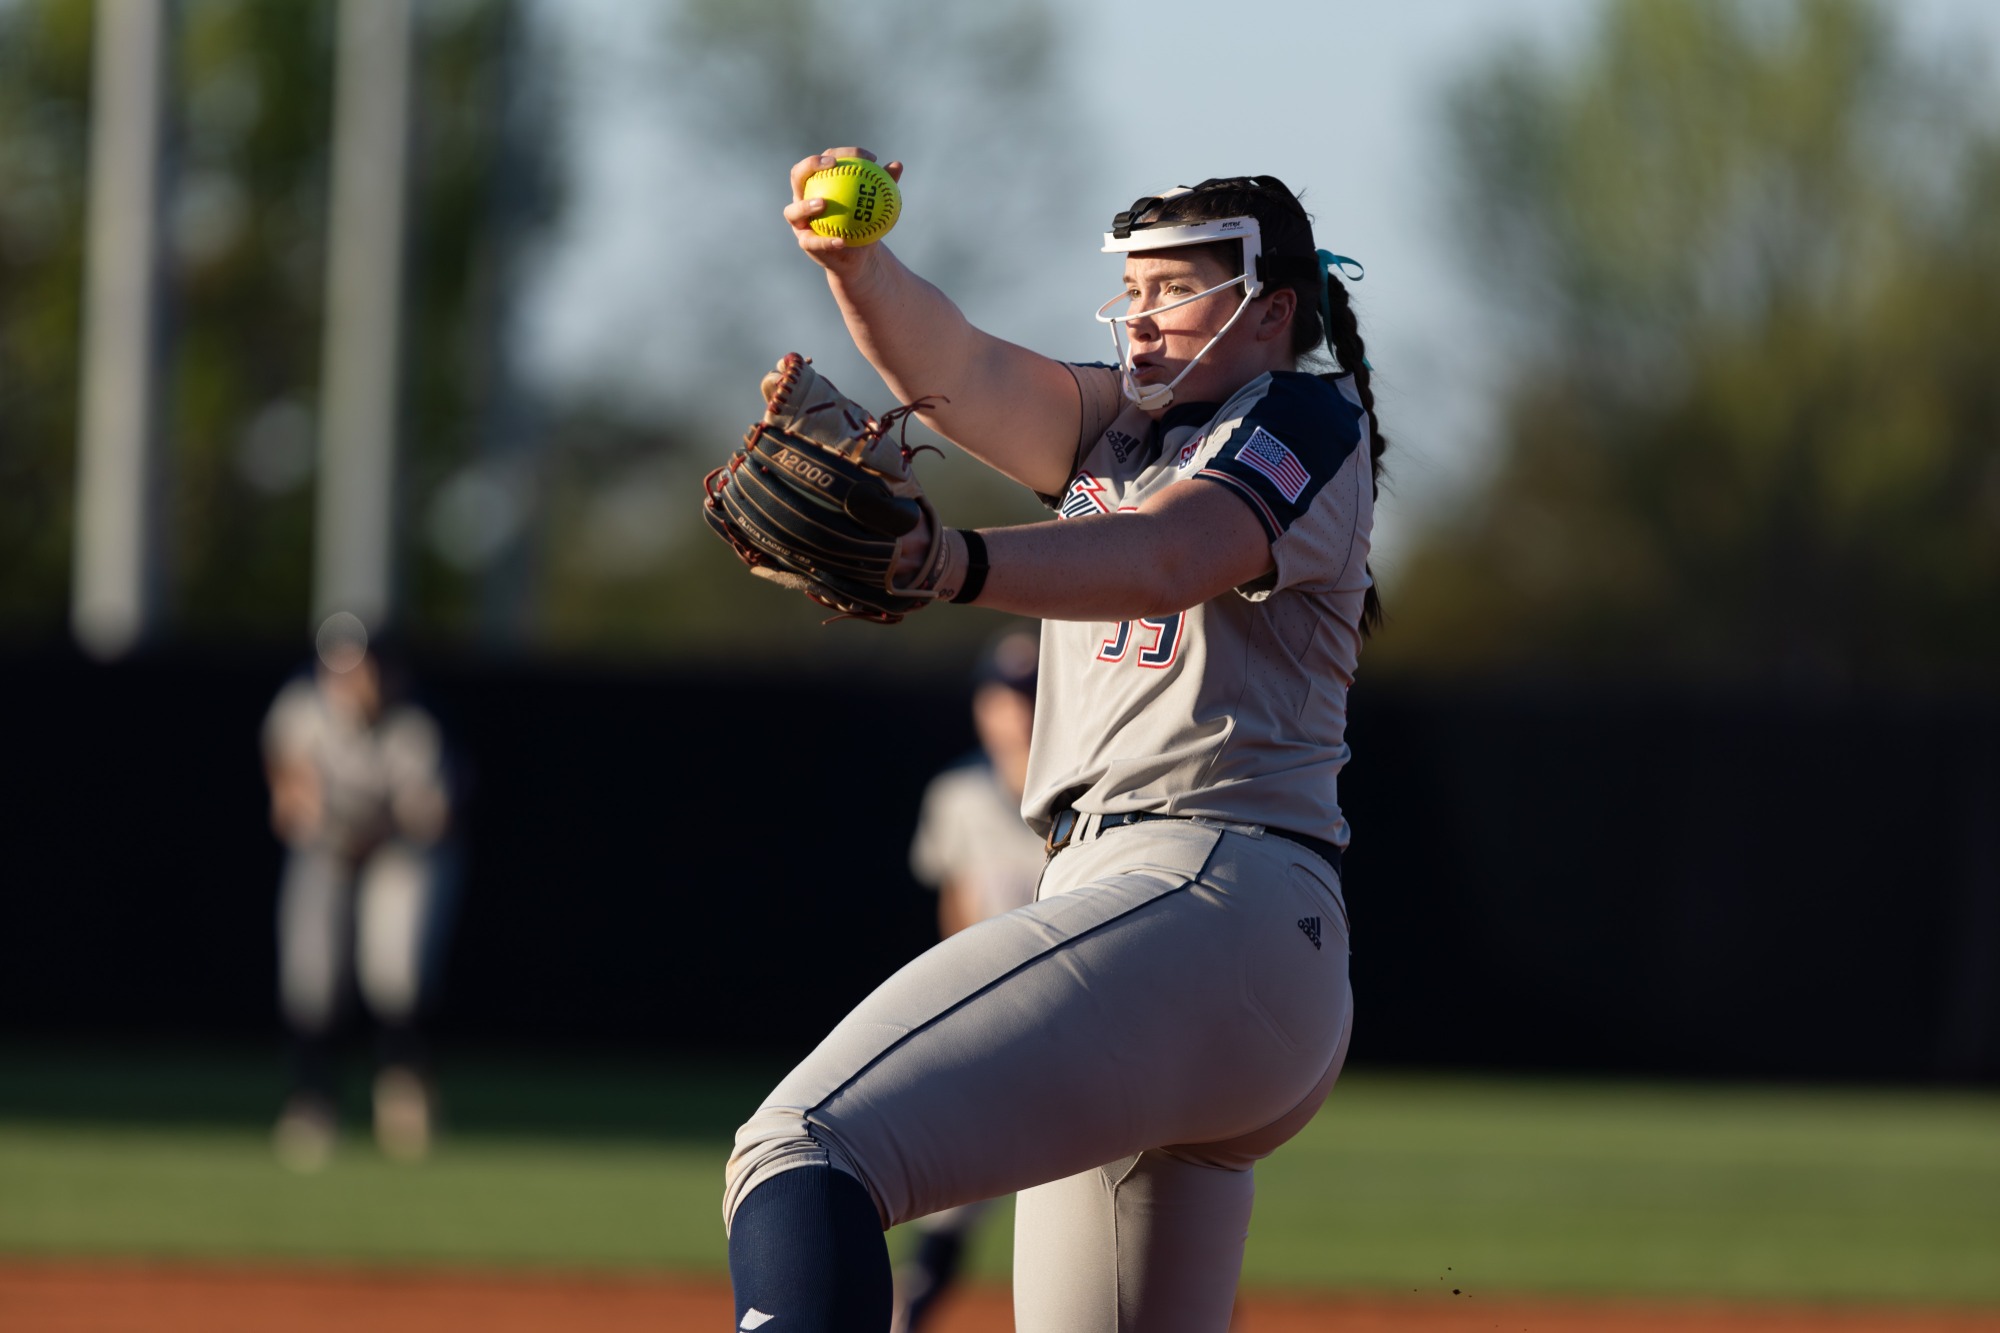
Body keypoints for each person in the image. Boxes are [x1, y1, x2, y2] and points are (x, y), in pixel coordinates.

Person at [723, 150, 1385, 1333]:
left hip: (1205, 890)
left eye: (1171, 289)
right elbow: (961, 367)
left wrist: (949, 561)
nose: (1139, 316)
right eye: (1128, 291)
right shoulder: (1114, 430)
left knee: (800, 1147)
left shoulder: (1298, 413)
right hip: (1174, 932)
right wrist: (857, 266)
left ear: (1269, 308)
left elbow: (1170, 555)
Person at [262, 612, 459, 1171]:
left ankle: (404, 1091)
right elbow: (287, 785)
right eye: (343, 665)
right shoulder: (303, 711)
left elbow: (432, 819)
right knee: (312, 974)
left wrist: (359, 831)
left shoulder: (414, 729)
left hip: (401, 851)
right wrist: (310, 811)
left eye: (365, 665)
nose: (354, 678)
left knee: (395, 969)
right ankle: (312, 1100)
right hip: (327, 851)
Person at [895, 621, 1046, 1332]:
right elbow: (956, 909)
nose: (1011, 710)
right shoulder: (957, 796)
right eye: (1000, 695)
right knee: (952, 1203)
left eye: (1027, 694)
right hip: (993, 1022)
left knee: (1140, 1213)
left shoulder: (1093, 794)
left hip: (1091, 1016)